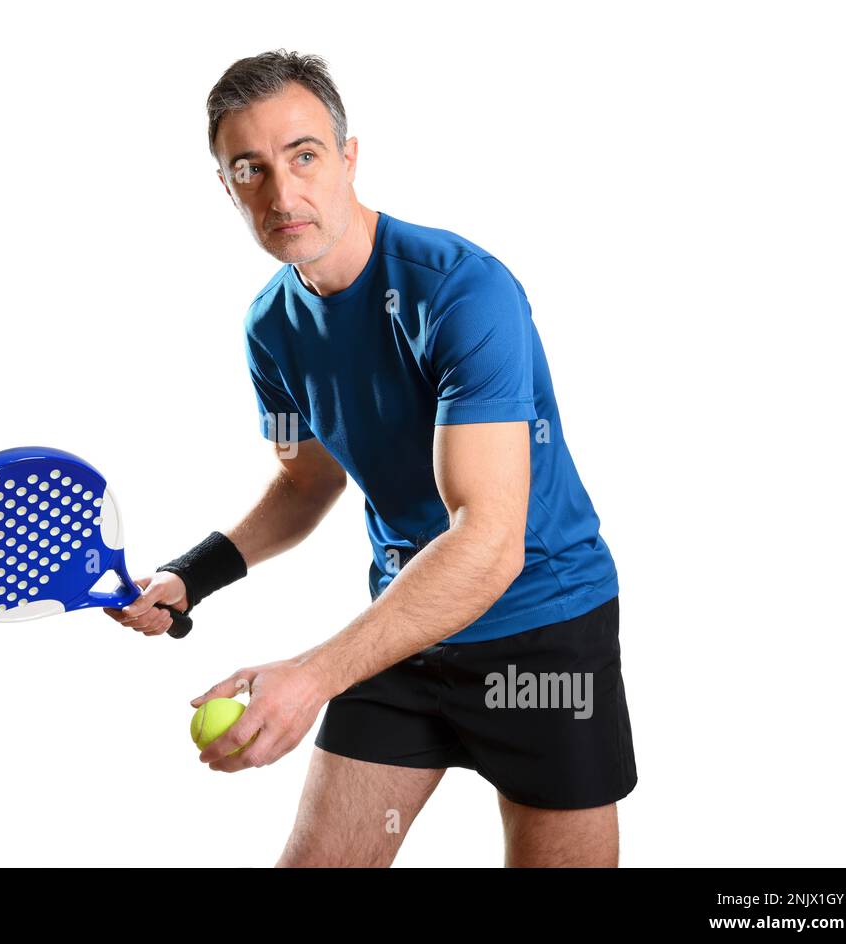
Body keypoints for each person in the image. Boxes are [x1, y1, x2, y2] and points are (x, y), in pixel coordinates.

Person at [105, 49, 637, 867]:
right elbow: (306, 477)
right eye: (250, 169)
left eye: (304, 155)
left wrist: (314, 676)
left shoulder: (465, 293)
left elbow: (488, 540)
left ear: (349, 156)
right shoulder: (269, 327)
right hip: (402, 631)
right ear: (226, 187)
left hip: (542, 630)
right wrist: (191, 576)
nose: (283, 194)